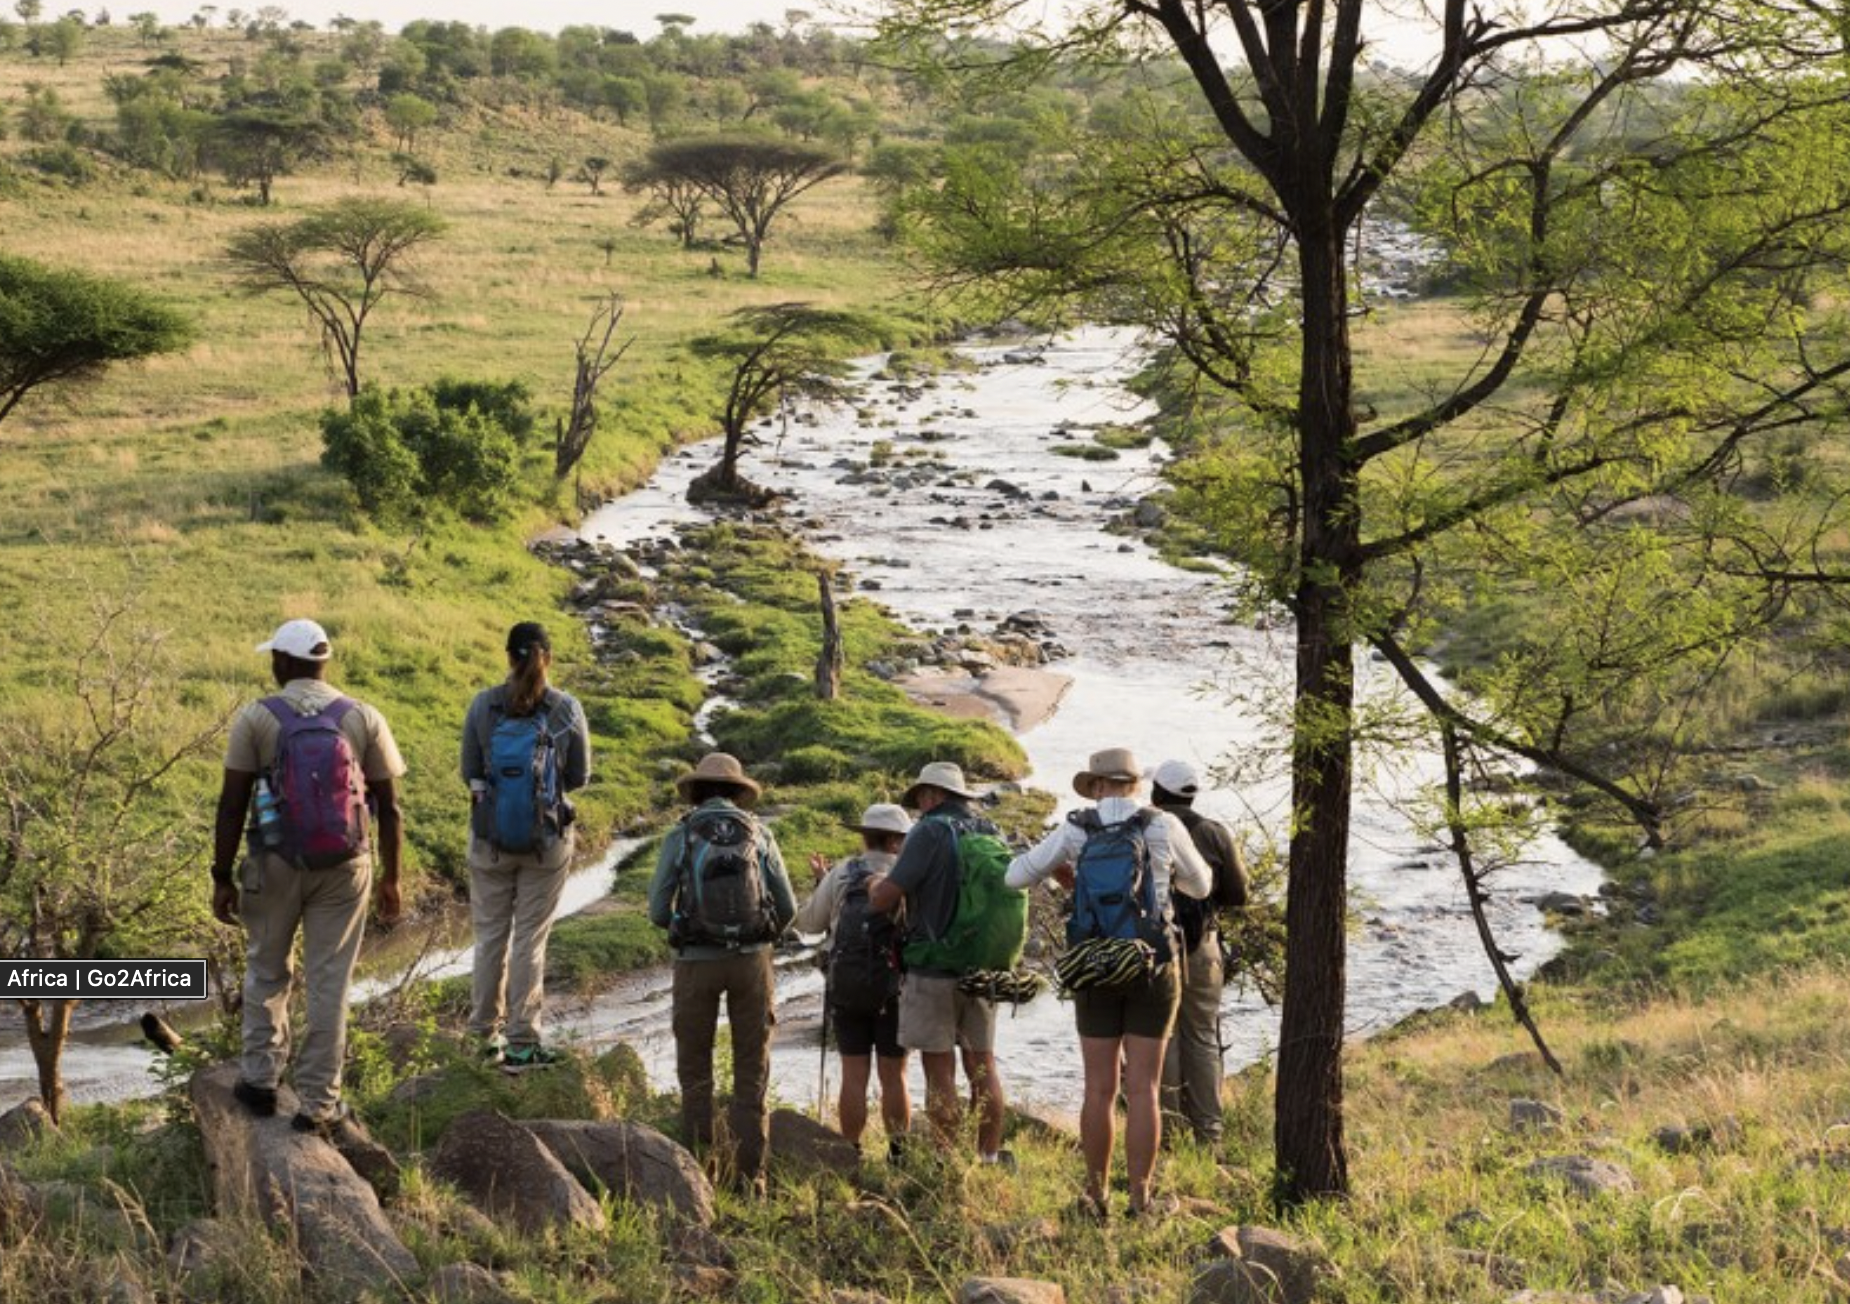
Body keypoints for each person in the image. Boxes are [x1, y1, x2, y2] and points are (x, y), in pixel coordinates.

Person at [210, 618, 405, 1133]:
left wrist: (221, 875)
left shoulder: (256, 718)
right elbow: (390, 808)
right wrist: (392, 879)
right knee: (329, 981)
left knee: (267, 969)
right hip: (346, 868)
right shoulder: (363, 717)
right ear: (324, 662)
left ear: (283, 662)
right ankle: (318, 1102)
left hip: (273, 863)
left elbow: (232, 805)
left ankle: (259, 1080)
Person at [1005, 747, 1211, 1218]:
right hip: (1153, 963)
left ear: (1096, 787)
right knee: (1144, 1088)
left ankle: (1095, 1199)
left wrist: (1070, 877)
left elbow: (1013, 877)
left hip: (1093, 965)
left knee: (1097, 1089)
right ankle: (1141, 1199)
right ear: (1135, 786)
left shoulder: (1076, 828)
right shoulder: (1162, 825)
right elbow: (1202, 886)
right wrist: (1162, 880)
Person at [648, 753, 796, 1187]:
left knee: (695, 1069)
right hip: (752, 964)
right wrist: (757, 938)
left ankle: (699, 1173)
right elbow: (787, 907)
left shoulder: (681, 834)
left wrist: (687, 927)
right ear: (737, 793)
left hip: (695, 963)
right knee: (752, 1069)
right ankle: (752, 1178)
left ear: (696, 791)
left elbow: (658, 909)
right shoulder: (760, 833)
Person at [461, 621, 592, 1073]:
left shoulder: (483, 705)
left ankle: (482, 1036)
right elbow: (579, 777)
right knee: (529, 941)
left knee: (489, 937)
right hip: (547, 842)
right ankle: (522, 1041)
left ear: (508, 656)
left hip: (489, 839)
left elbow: (470, 770)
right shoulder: (566, 708)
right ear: (547, 658)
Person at [868, 761, 1010, 1165]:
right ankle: (988, 1157)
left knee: (939, 1068)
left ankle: (946, 1162)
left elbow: (885, 899)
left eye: (920, 799)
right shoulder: (990, 830)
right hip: (982, 966)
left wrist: (874, 884)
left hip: (933, 966)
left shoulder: (928, 831)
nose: (919, 806)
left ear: (930, 795)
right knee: (982, 1065)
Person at [795, 803, 915, 1159]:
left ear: (863, 837)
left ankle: (851, 1153)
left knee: (853, 1074)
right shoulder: (907, 873)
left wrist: (822, 883)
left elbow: (810, 924)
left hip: (845, 988)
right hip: (894, 989)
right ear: (898, 840)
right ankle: (898, 1155)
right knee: (894, 1076)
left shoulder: (844, 872)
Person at [1148, 758, 1248, 1145]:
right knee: (1203, 1037)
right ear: (1192, 795)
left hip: (1157, 949)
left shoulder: (1146, 828)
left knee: (1165, 1037)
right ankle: (1210, 1134)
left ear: (1156, 794)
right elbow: (1239, 895)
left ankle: (1168, 1135)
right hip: (1203, 946)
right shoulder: (1214, 833)